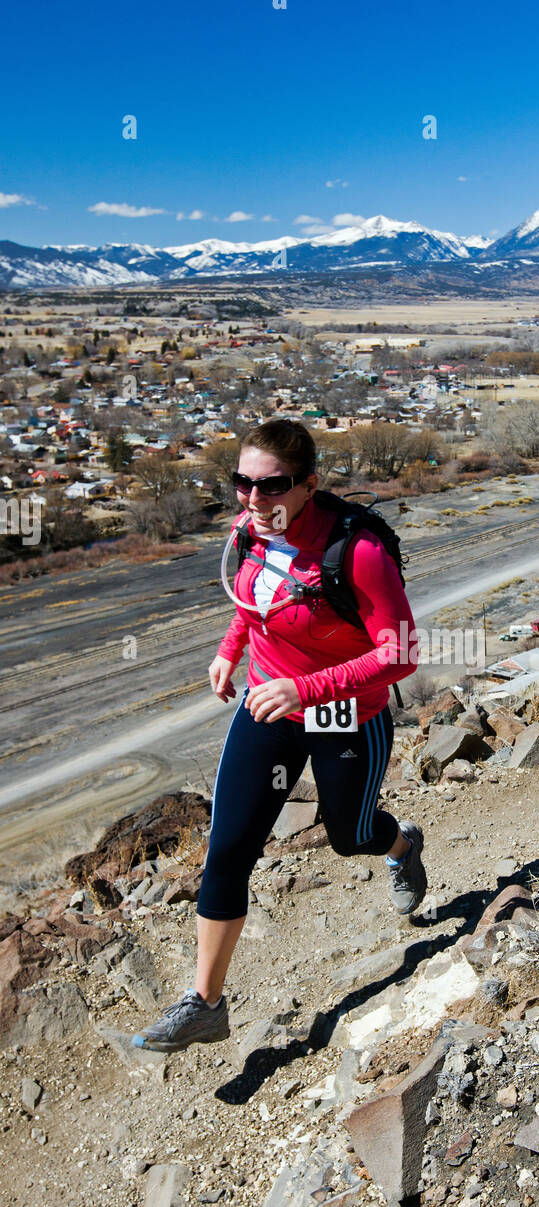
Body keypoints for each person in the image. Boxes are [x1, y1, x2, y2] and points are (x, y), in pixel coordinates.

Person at [132, 418, 427, 1053]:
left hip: (343, 710)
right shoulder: (248, 530)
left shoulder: (358, 553)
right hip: (269, 705)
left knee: (349, 836)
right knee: (229, 845)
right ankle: (204, 1002)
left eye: (272, 487)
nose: (254, 499)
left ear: (309, 486)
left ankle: (401, 845)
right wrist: (229, 651)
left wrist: (308, 690)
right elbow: (253, 601)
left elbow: (401, 653)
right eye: (243, 483)